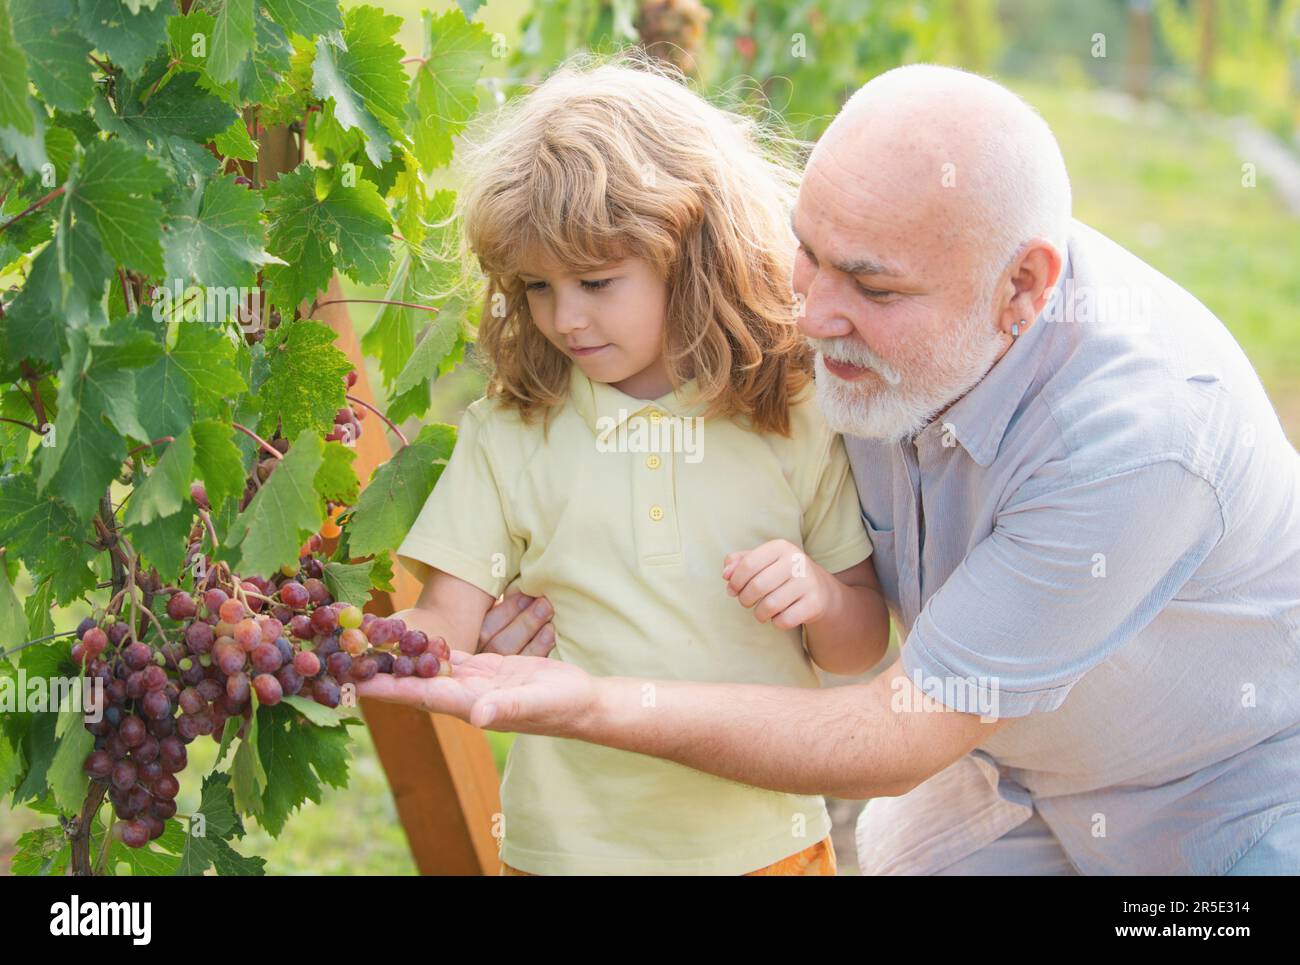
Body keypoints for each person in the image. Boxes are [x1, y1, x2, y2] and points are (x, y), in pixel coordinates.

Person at [361, 64, 1300, 875]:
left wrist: (595, 698)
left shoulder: (1141, 440)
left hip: (1226, 807)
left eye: (872, 286)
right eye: (806, 252)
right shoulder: (841, 308)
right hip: (1015, 782)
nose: (808, 315)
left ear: (1022, 289)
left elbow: (896, 725)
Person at [383, 55, 890, 875]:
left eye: (595, 280)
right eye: (536, 286)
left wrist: (822, 594)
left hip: (767, 847)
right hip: (566, 853)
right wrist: (342, 648)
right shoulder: (511, 433)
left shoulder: (791, 415)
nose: (563, 317)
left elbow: (858, 644)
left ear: (693, 255)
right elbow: (445, 616)